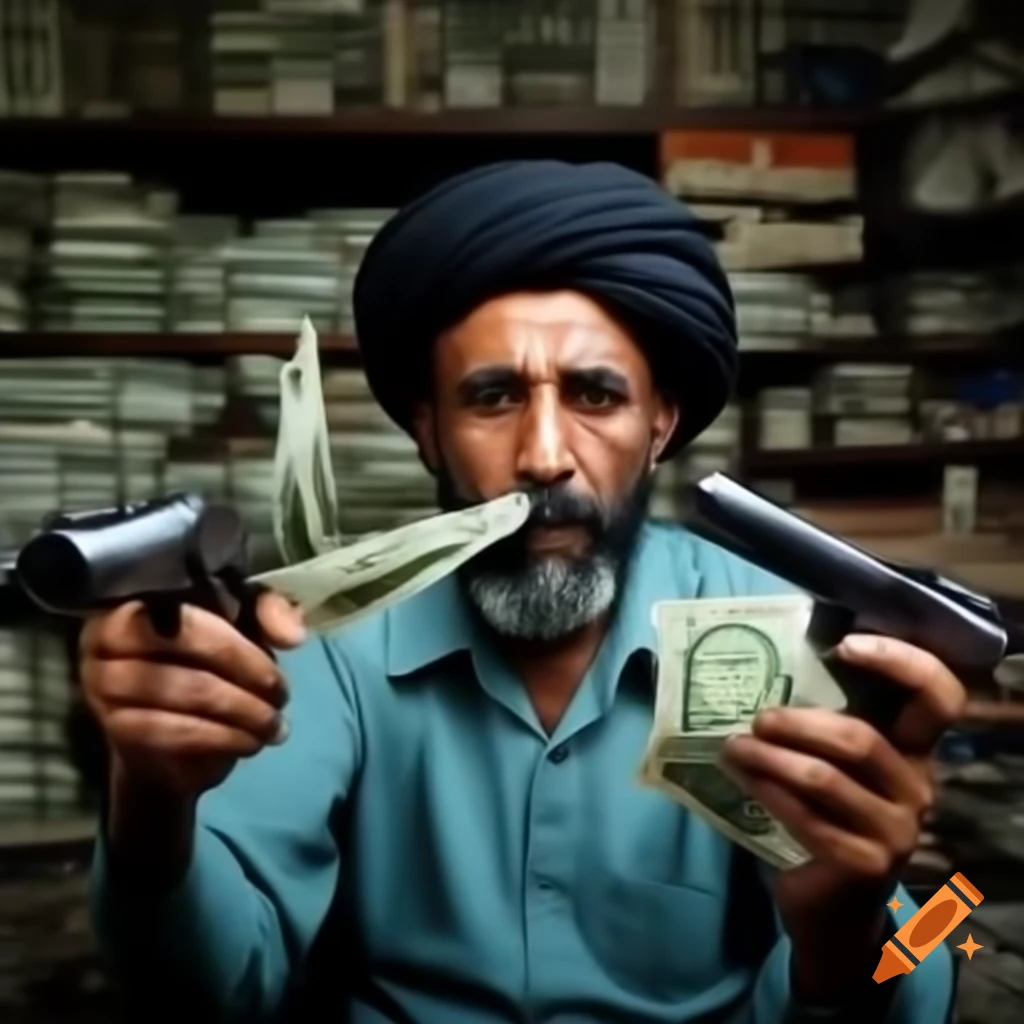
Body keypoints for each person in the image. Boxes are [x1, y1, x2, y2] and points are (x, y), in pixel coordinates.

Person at [83, 161, 960, 1023]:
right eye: (494, 396)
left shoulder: (783, 630)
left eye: (595, 395)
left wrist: (852, 934)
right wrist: (151, 801)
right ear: (428, 431)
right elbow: (211, 993)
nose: (544, 455)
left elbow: (949, 931)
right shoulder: (324, 640)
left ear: (660, 424)